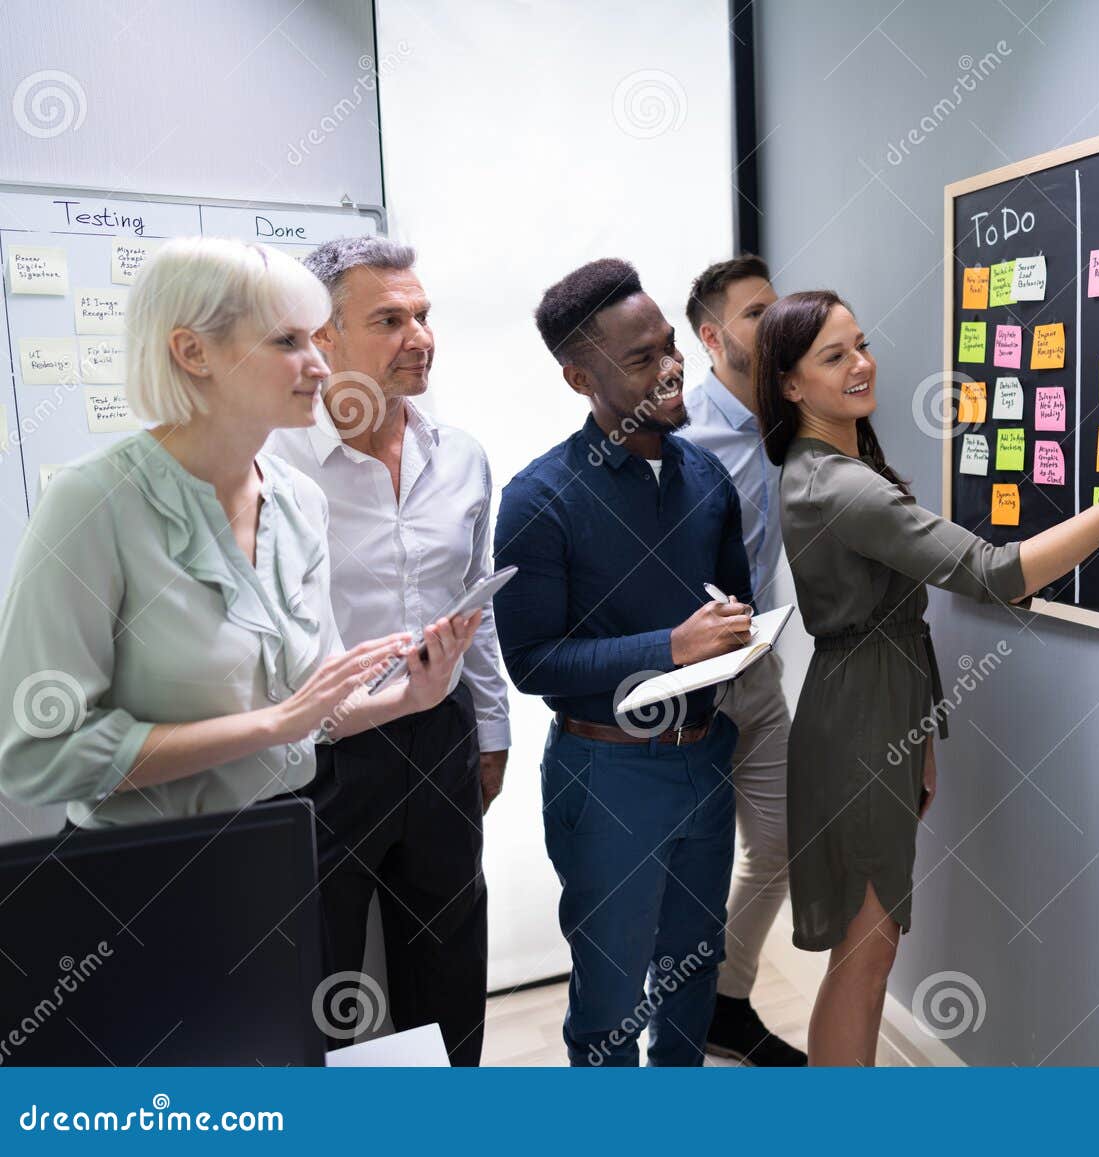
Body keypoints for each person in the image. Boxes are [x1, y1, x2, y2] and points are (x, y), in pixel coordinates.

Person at [754, 290, 1099, 1065]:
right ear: (790, 384)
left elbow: (889, 620)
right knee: (867, 960)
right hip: (861, 725)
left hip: (867, 713)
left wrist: (920, 734)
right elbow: (997, 574)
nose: (861, 364)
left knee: (866, 950)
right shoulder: (842, 485)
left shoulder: (825, 463)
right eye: (834, 356)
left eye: (860, 343)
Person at [0, 237, 479, 833]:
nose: (322, 366)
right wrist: (272, 726)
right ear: (192, 352)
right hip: (143, 864)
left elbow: (314, 709)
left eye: (315, 338)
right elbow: (36, 758)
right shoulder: (91, 502)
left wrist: (413, 698)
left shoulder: (297, 499)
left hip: (282, 839)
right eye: (287, 341)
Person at [494, 258, 752, 1066]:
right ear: (580, 378)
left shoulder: (706, 478)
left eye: (670, 346)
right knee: (609, 1004)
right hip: (605, 778)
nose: (672, 367)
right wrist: (669, 648)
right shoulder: (539, 499)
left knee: (692, 982)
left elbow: (731, 613)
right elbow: (533, 663)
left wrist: (742, 633)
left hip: (704, 763)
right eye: (642, 359)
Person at [265, 236, 510, 1068]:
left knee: (448, 957)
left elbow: (475, 600)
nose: (420, 336)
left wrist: (493, 729)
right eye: (390, 319)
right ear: (323, 337)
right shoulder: (270, 468)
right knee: (320, 971)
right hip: (325, 754)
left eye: (424, 315)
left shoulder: (463, 458)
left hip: (440, 739)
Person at [678, 255, 803, 1065]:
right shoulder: (679, 434)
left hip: (760, 667)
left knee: (787, 838)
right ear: (712, 335)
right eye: (757, 314)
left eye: (776, 307)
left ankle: (725, 999)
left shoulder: (794, 416)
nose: (775, 323)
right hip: (689, 686)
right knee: (688, 867)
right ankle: (680, 1027)